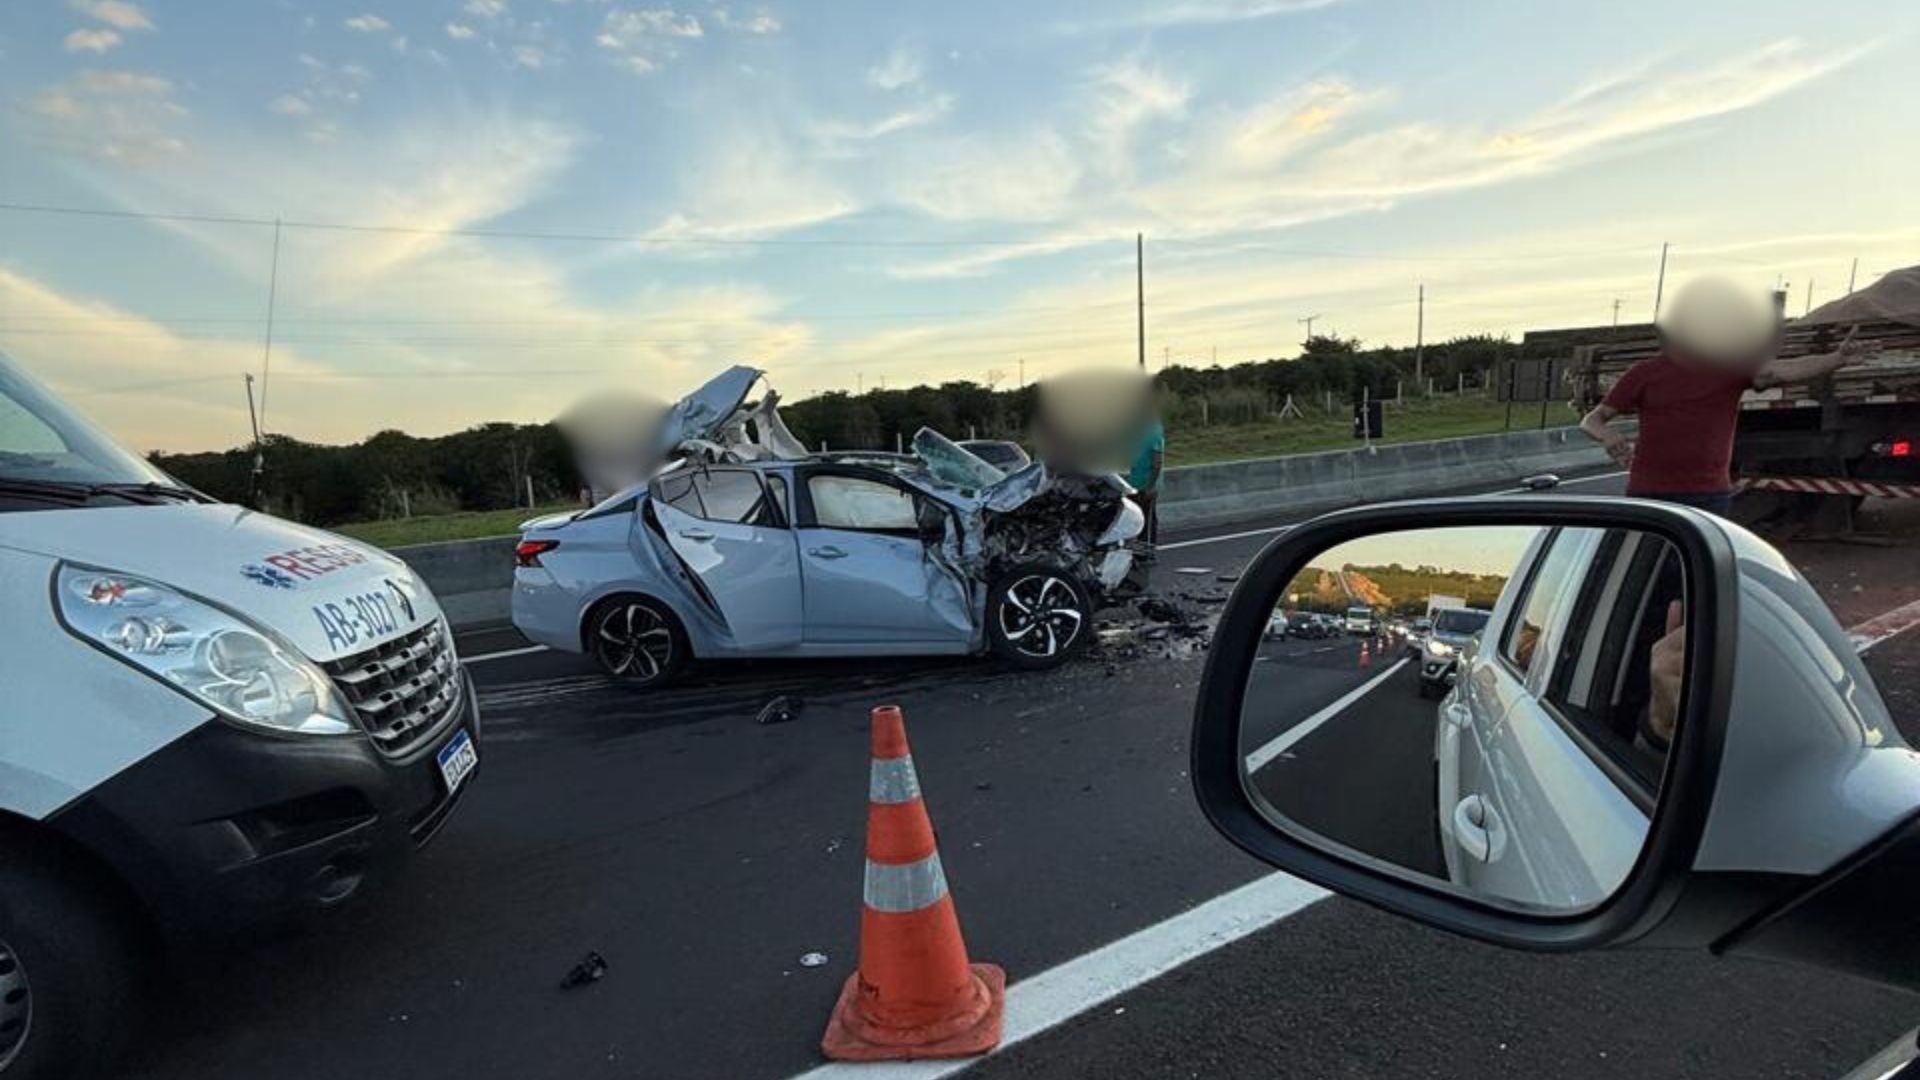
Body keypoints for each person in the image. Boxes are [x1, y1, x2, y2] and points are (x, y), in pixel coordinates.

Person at [1580, 285, 1875, 516]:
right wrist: (1606, 435)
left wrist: (1837, 359)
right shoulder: (1644, 374)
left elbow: (1783, 370)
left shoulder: (1727, 367)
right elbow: (1592, 420)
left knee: (1702, 568)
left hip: (1708, 493)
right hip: (1651, 492)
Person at [1127, 412, 1165, 552]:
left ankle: (1148, 550)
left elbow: (1157, 462)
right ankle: (1137, 549)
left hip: (1146, 483)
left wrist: (1151, 486)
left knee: (1147, 519)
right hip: (1133, 483)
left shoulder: (1154, 432)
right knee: (1135, 519)